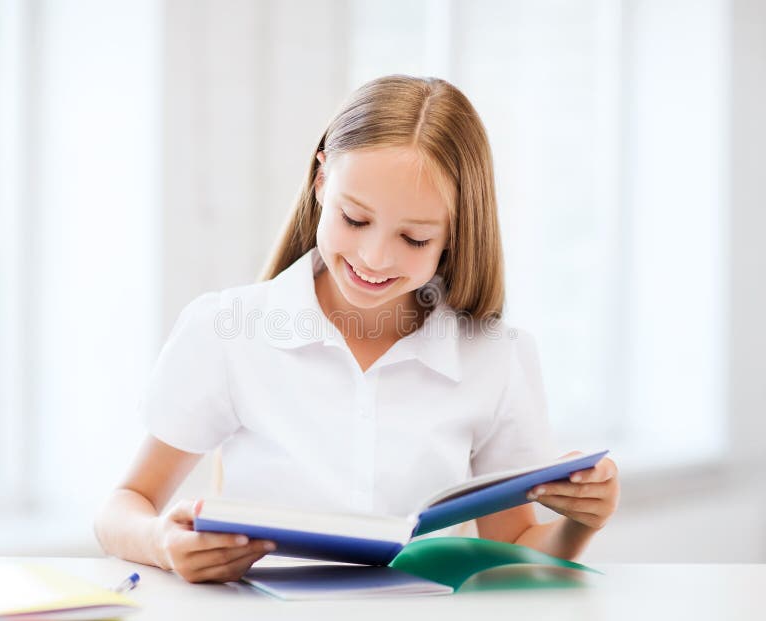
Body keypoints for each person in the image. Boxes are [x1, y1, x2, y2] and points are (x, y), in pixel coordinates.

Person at [94, 74, 620, 584]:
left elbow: (513, 555)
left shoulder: (496, 358)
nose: (374, 257)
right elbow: (122, 509)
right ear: (321, 179)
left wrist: (580, 523)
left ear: (455, 234)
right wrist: (163, 543)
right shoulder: (227, 331)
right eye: (355, 219)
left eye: (414, 238)